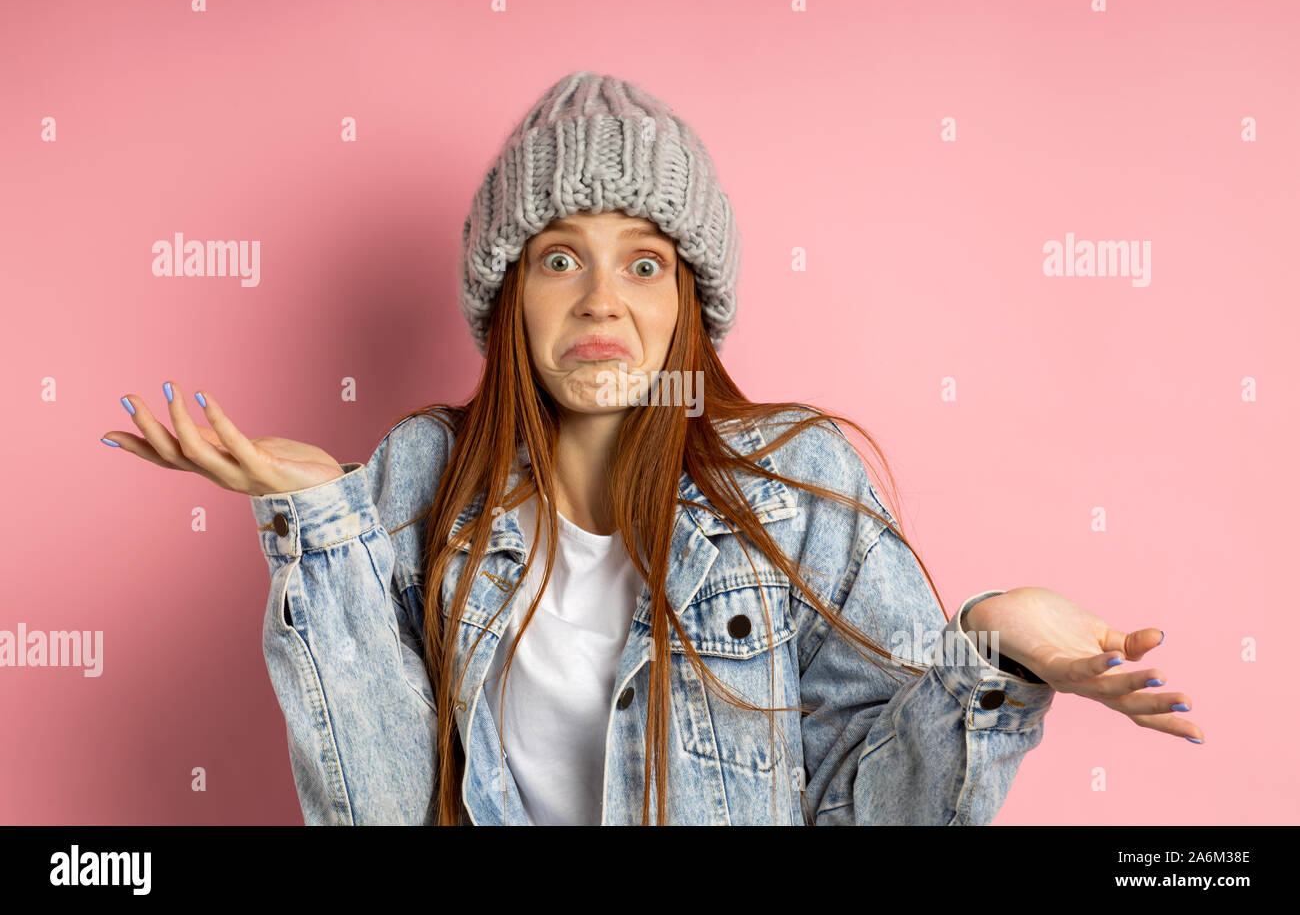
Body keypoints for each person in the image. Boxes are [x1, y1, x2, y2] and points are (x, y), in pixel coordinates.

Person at [101, 71, 1203, 826]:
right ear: (506, 295)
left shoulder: (798, 482)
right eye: (557, 258)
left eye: (643, 263)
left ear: (687, 298)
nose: (601, 300)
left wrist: (991, 649)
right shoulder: (411, 483)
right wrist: (325, 532)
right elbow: (381, 808)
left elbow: (873, 809)